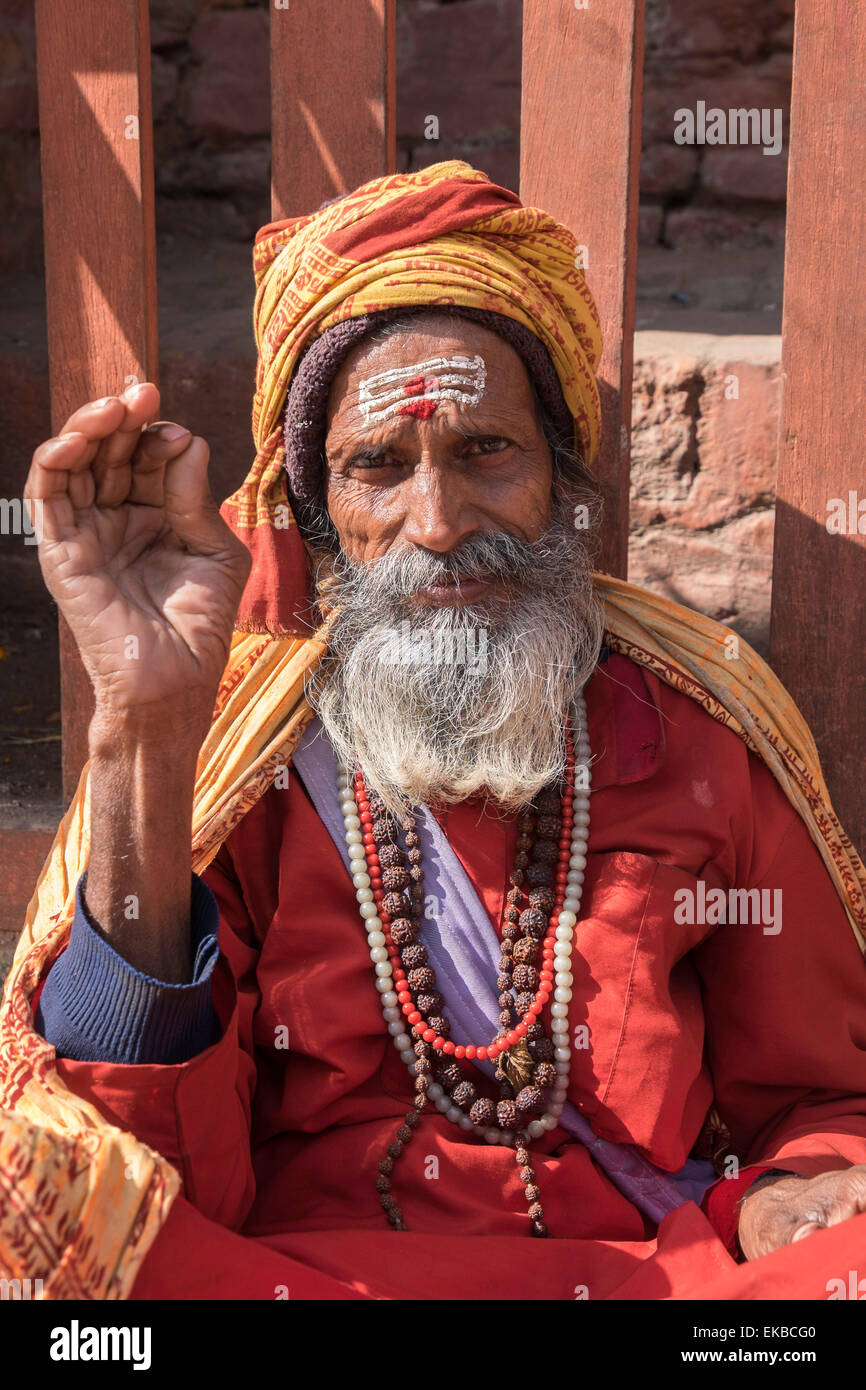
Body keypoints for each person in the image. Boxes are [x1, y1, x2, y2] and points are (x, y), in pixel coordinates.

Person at [4, 160, 866, 1301]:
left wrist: (790, 1187)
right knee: (50, 1229)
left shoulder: (695, 727)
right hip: (304, 1286)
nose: (438, 522)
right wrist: (145, 723)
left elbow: (821, 1097)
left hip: (660, 1286)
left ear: (562, 479)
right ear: (317, 516)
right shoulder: (235, 762)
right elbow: (129, 1151)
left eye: (483, 453)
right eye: (377, 467)